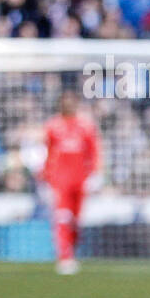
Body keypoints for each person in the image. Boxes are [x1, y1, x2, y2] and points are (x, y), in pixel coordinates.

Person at [42, 90, 100, 275]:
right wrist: (45, 178)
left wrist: (95, 175)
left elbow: (94, 151)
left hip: (80, 179)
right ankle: (64, 257)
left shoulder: (86, 126)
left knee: (76, 220)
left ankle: (71, 252)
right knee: (62, 217)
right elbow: (46, 153)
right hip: (60, 180)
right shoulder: (52, 126)